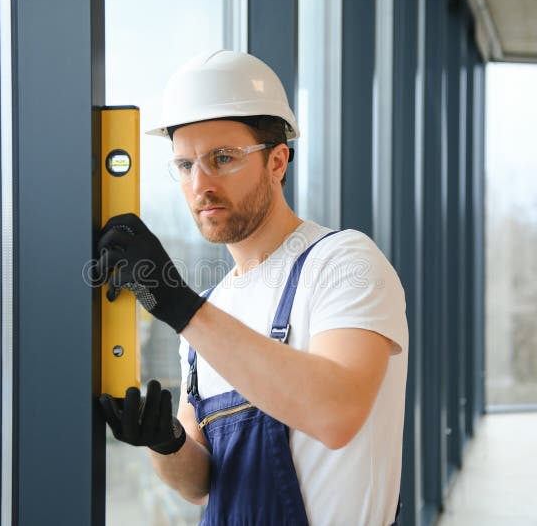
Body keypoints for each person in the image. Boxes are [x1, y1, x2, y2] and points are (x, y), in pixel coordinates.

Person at [96, 50, 408, 526]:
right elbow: (200, 485)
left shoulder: (343, 262)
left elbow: (337, 413)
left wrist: (180, 306)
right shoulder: (210, 312)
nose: (200, 184)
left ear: (277, 161)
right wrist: (166, 442)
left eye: (222, 158)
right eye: (185, 165)